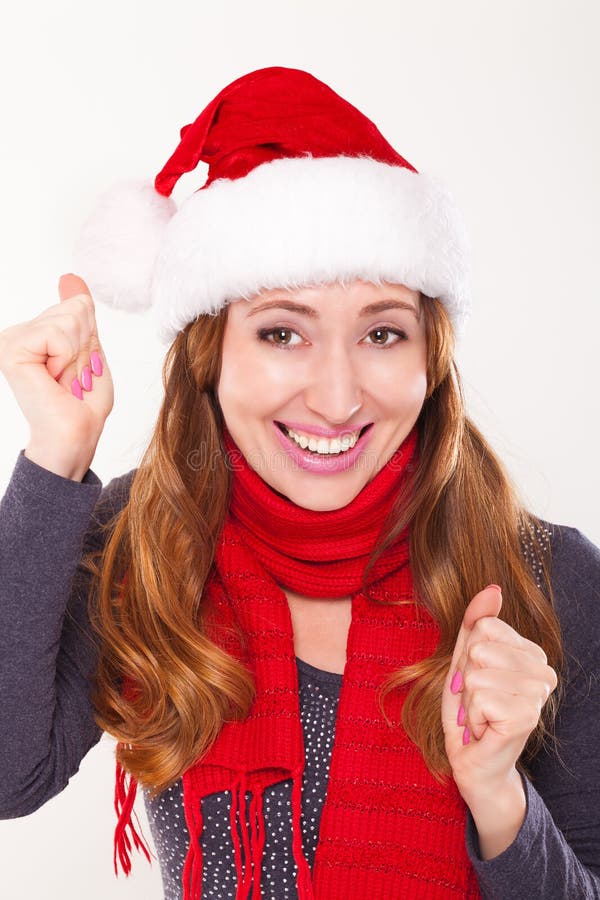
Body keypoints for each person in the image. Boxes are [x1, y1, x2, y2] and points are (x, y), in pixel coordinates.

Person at [0, 65, 598, 900]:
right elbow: (8, 773)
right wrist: (55, 459)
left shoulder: (549, 579)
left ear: (431, 358)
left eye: (383, 333)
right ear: (209, 358)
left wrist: (498, 796)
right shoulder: (147, 535)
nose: (338, 396)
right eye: (282, 333)